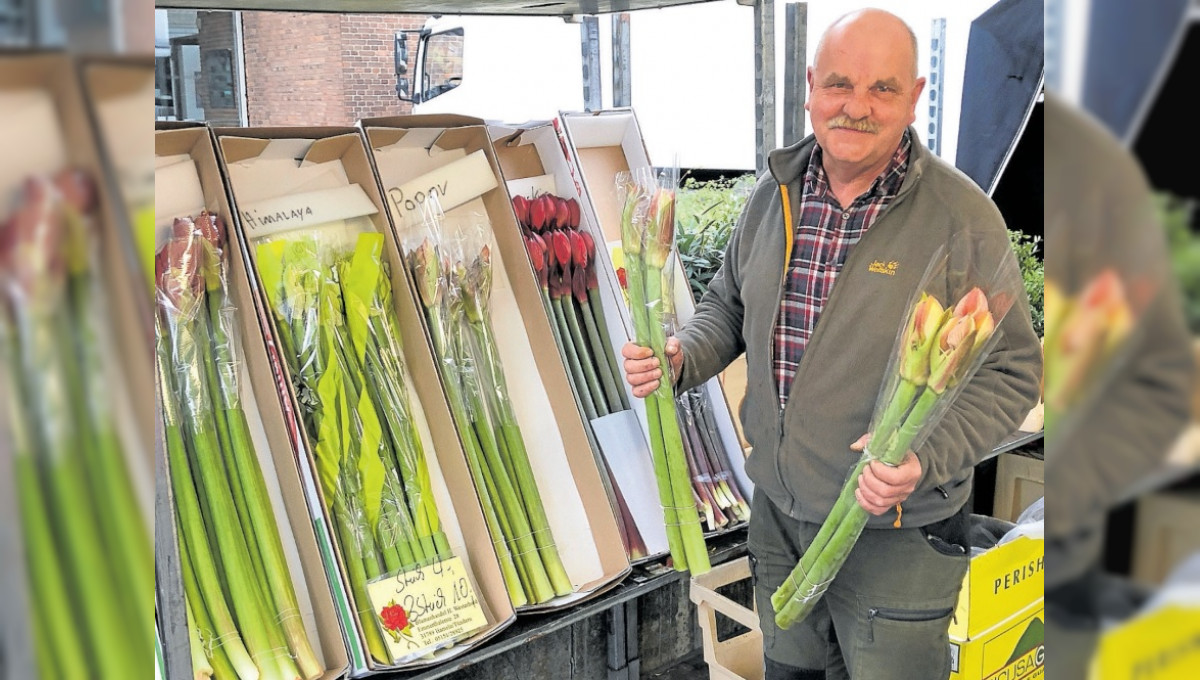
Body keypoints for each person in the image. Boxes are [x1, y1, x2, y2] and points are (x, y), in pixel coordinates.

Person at [622, 9, 1041, 679]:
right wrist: (682, 356)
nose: (857, 107)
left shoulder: (963, 220)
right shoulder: (773, 198)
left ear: (915, 96)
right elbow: (727, 307)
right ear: (812, 86)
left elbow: (1015, 374)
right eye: (841, 84)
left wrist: (923, 458)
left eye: (883, 88)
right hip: (780, 522)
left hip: (897, 542)